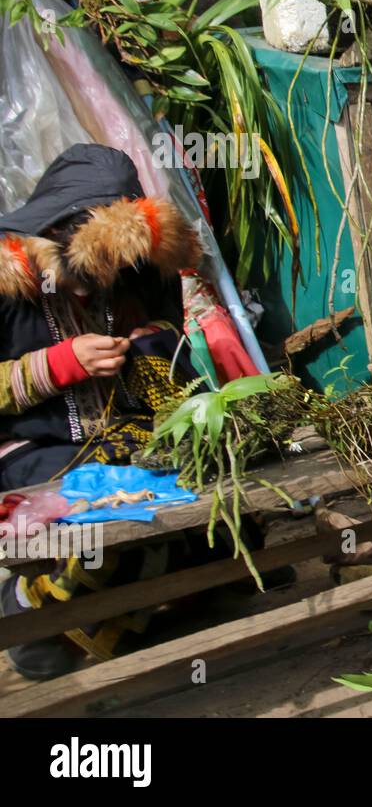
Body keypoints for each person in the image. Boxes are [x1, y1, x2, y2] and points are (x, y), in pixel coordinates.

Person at [0, 144, 203, 679]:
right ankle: (28, 612)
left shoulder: (146, 267)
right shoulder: (6, 286)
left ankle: (142, 611)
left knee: (212, 500)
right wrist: (59, 363)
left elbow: (175, 346)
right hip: (33, 451)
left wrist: (151, 342)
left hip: (129, 436)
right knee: (109, 502)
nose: (105, 279)